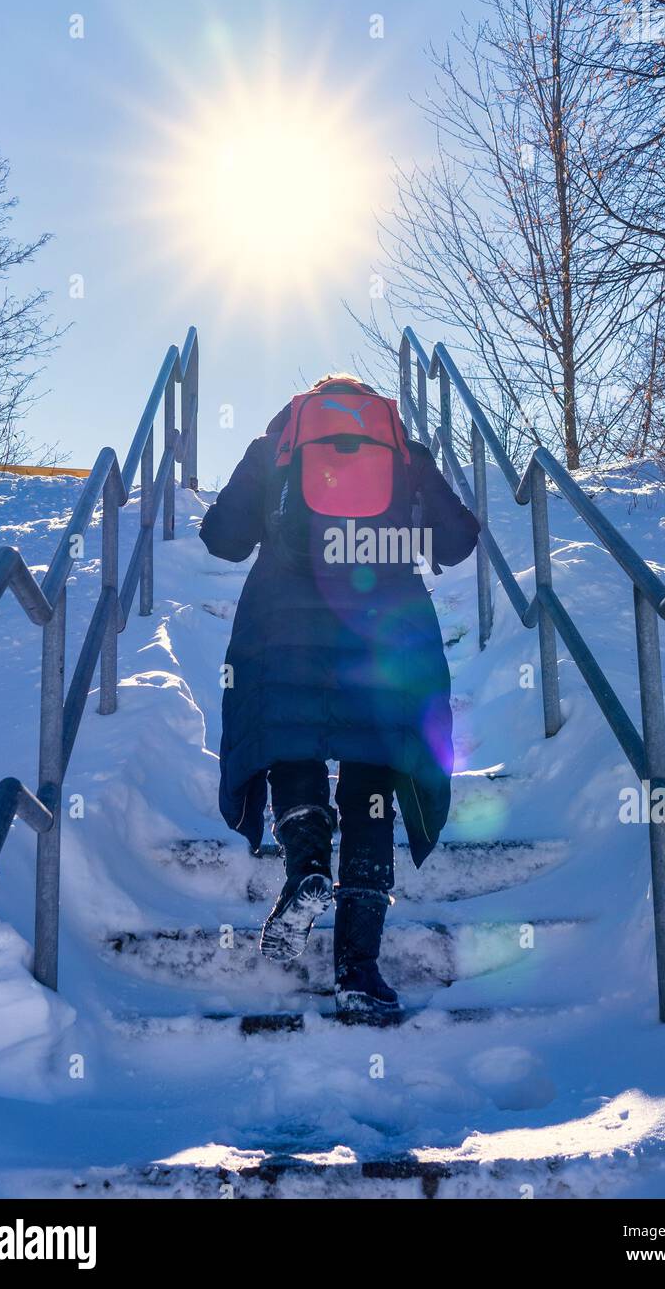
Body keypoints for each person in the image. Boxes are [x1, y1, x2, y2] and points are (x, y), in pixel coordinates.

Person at [199, 373, 480, 1018]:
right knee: (372, 778)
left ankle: (305, 870)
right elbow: (459, 540)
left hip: (283, 623)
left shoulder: (277, 443)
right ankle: (359, 971)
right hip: (383, 633)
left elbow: (224, 538)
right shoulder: (402, 446)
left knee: (291, 744)